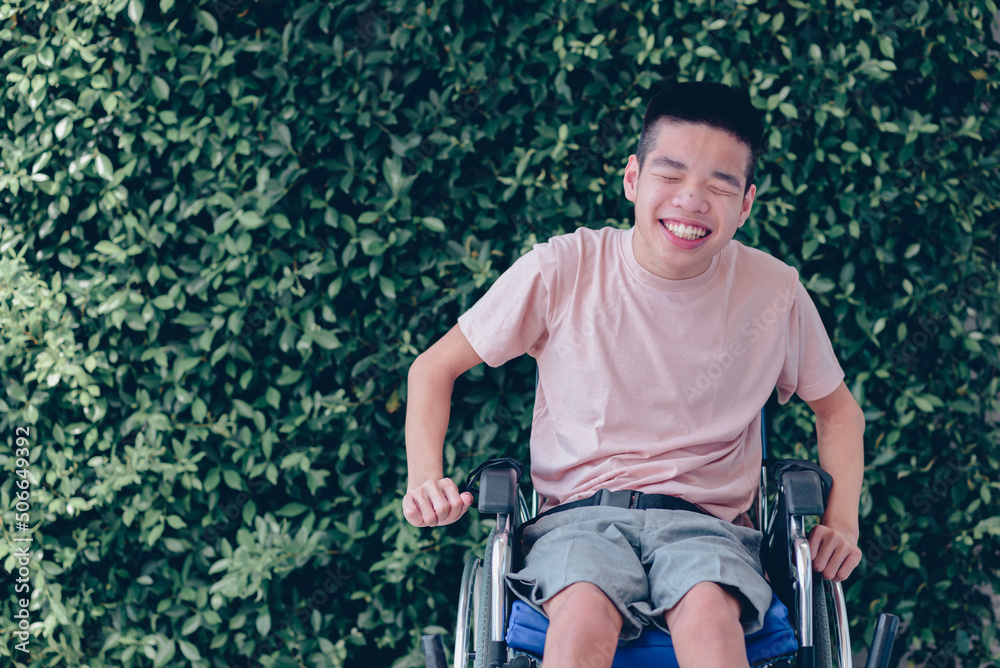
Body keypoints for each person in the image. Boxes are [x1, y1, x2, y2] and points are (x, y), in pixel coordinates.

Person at [402, 81, 864, 668]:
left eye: (719, 185)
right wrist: (426, 477)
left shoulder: (774, 292)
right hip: (577, 517)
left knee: (709, 615)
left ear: (745, 205)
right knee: (583, 614)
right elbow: (433, 368)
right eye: (670, 175)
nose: (692, 199)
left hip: (709, 525)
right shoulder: (563, 268)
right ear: (632, 179)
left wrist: (842, 522)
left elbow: (839, 411)